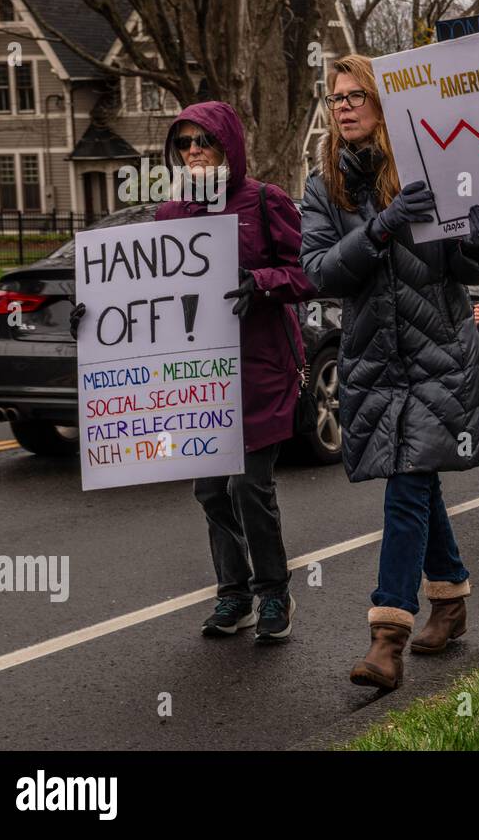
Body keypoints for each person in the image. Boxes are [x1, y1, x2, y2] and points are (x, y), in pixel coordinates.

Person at [300, 54, 479, 690]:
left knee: (408, 480)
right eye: (337, 98)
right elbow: (319, 272)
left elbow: (475, 272)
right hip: (371, 358)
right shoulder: (322, 185)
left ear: (385, 104)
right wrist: (381, 229)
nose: (346, 106)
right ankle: (450, 599)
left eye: (358, 94)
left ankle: (388, 635)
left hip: (439, 352)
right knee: (415, 476)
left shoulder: (434, 167)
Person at [145, 102, 315, 642]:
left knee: (248, 485)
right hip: (198, 377)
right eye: (186, 143)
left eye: (205, 141)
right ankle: (233, 594)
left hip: (260, 368)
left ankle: (273, 595)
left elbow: (307, 271)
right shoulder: (169, 217)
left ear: (229, 147)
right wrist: (99, 312)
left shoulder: (265, 201)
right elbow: (148, 294)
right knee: (211, 490)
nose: (194, 151)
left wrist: (261, 281)